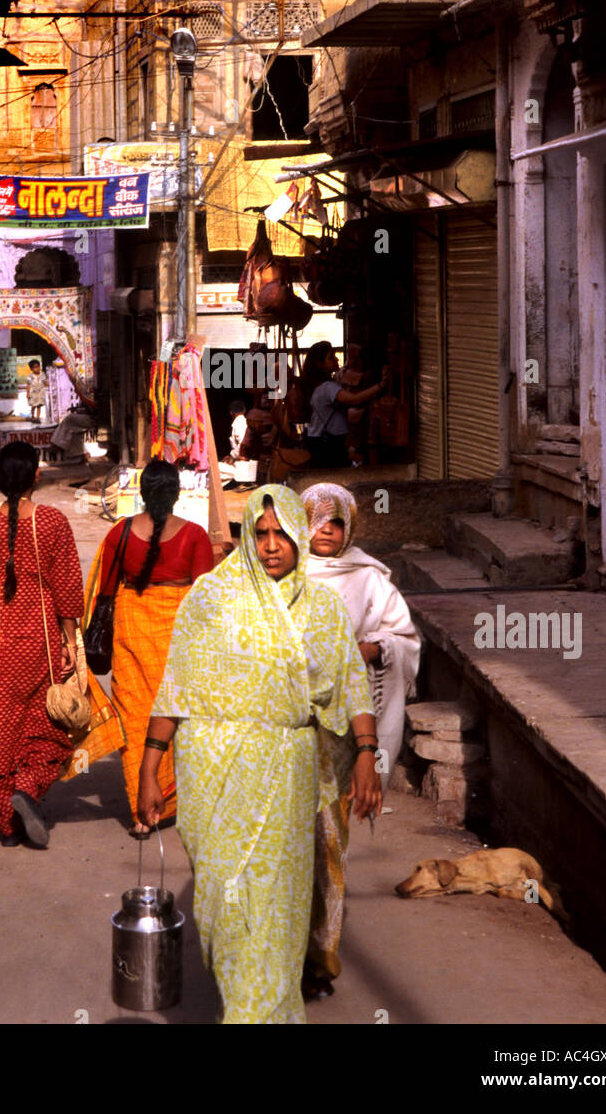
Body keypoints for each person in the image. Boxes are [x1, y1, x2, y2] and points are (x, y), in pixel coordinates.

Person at [137, 485, 382, 1024]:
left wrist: (366, 753)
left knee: (275, 907)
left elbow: (351, 683)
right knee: (225, 903)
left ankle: (258, 1015)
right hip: (213, 774)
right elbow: (177, 686)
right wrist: (150, 768)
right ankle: (246, 1003)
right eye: (260, 533)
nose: (272, 546)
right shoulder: (210, 598)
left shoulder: (321, 610)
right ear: (248, 536)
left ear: (297, 536)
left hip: (286, 777)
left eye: (282, 535)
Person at [301, 481, 421, 996]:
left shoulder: (371, 581)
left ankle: (320, 956)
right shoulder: (280, 571)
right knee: (278, 850)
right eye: (314, 522)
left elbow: (406, 639)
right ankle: (280, 953)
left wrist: (373, 650)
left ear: (349, 528)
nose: (323, 533)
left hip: (342, 739)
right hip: (280, 736)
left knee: (328, 845)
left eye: (334, 524)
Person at [0, 441, 88, 848]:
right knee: (52, 727)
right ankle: (28, 787)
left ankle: (6, 826)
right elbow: (68, 591)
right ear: (37, 477)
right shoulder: (53, 523)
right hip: (37, 645)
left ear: (0, 478)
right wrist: (69, 640)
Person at [83, 458, 214, 838]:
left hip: (129, 634)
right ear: (176, 495)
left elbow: (104, 592)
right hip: (178, 640)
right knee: (177, 713)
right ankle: (173, 797)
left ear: (140, 494)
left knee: (137, 717)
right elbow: (204, 600)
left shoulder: (118, 534)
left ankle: (142, 812)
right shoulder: (195, 536)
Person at [301, 341, 389, 468]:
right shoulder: (328, 388)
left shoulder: (318, 386)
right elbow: (355, 399)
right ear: (319, 364)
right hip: (329, 446)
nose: (336, 359)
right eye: (331, 357)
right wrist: (381, 385)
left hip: (320, 442)